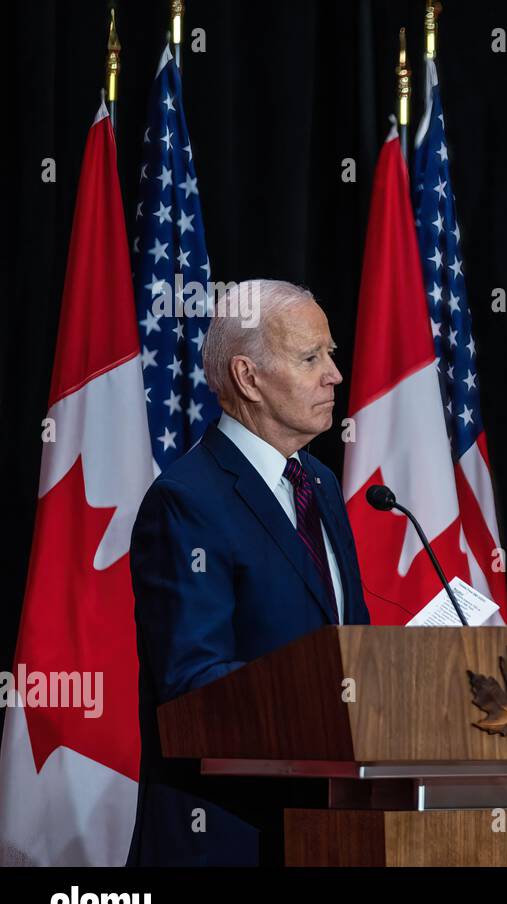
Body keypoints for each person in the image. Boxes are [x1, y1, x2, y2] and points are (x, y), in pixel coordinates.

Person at [128, 279, 370, 865]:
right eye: (311, 358)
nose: (334, 374)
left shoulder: (321, 484)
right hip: (229, 835)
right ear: (248, 378)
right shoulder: (187, 500)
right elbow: (193, 683)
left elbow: (350, 644)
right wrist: (330, 695)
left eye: (330, 354)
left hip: (328, 827)